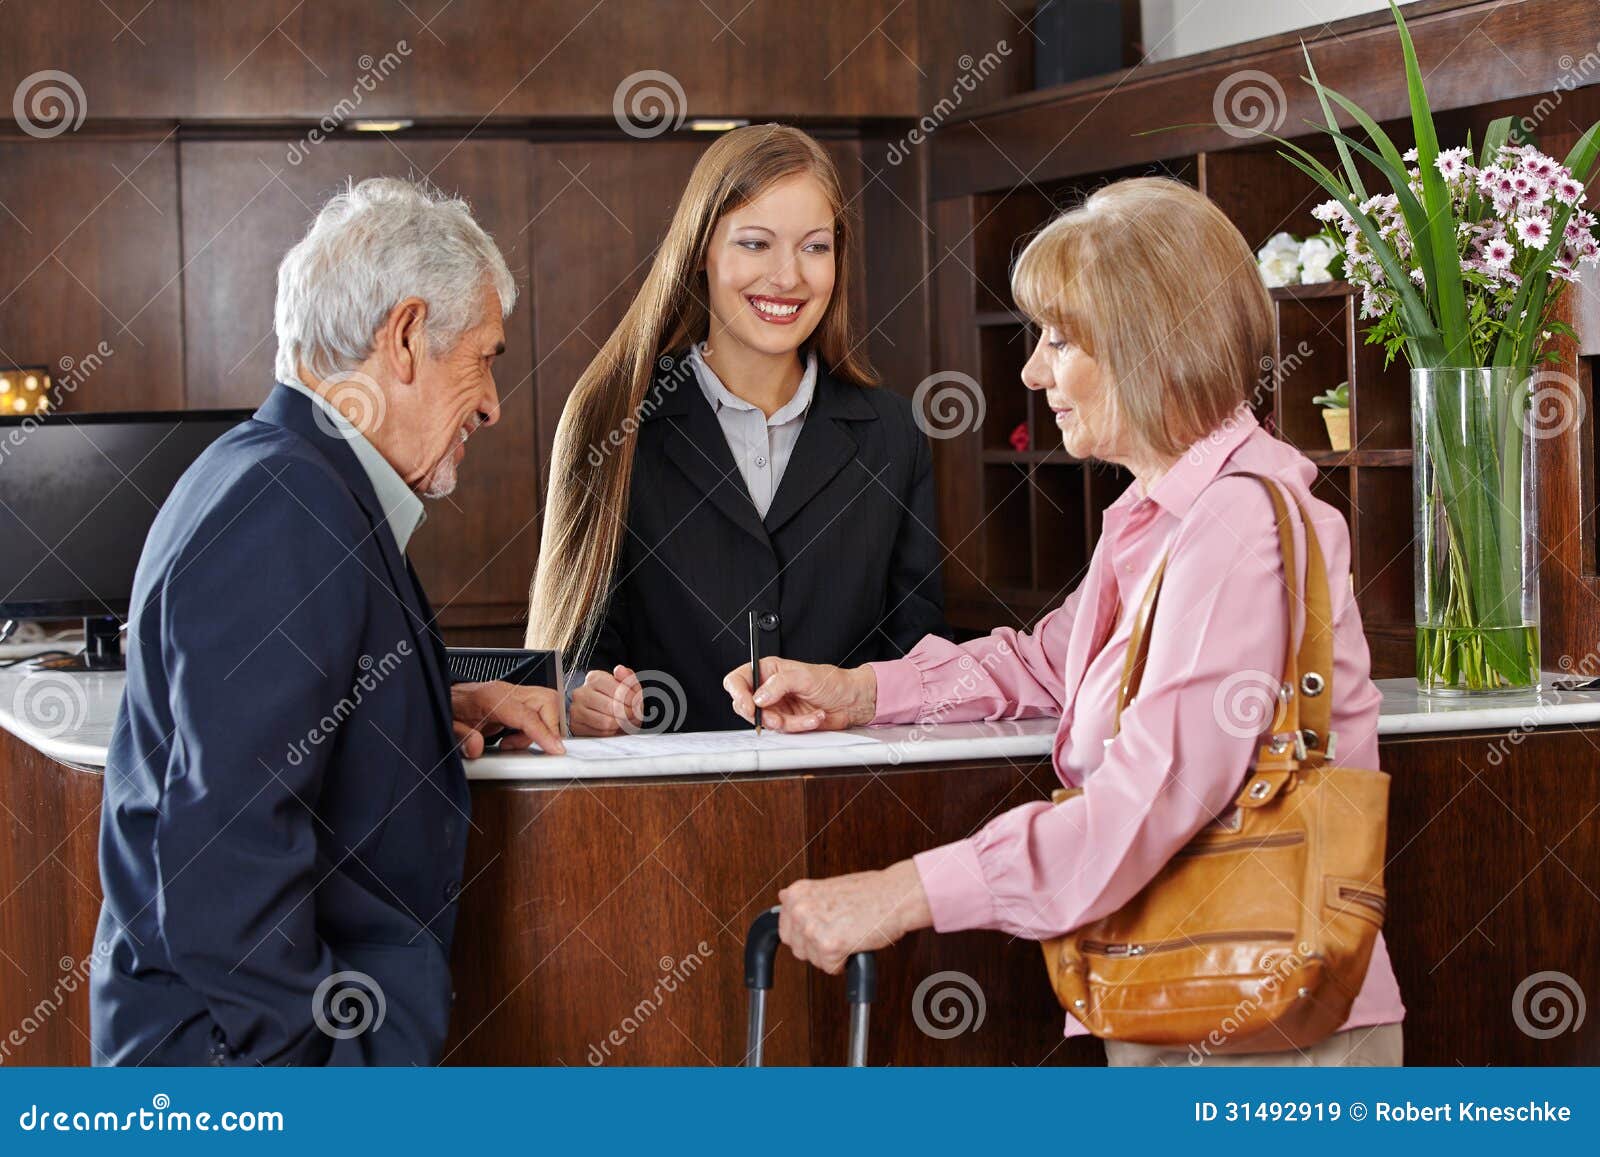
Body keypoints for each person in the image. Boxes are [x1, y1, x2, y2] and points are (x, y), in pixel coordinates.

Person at [723, 177, 1406, 1066]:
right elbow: (1052, 665)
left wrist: (898, 895)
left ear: (1146, 345)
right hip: (1195, 1002)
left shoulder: (1238, 529)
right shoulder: (1164, 514)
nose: (1033, 370)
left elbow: (1147, 803)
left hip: (1265, 1027)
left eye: (1060, 340)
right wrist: (855, 690)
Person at [91, 177, 566, 1067]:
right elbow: (227, 848)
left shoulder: (271, 471)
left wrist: (431, 709)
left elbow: (267, 739)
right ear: (405, 336)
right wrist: (322, 1073)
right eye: (487, 356)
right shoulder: (287, 503)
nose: (495, 403)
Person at [527, 124, 947, 735]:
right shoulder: (616, 423)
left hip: (851, 804)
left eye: (814, 246)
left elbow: (923, 658)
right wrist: (578, 699)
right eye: (755, 244)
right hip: (664, 811)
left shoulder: (892, 434)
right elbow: (574, 653)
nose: (787, 277)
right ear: (702, 252)